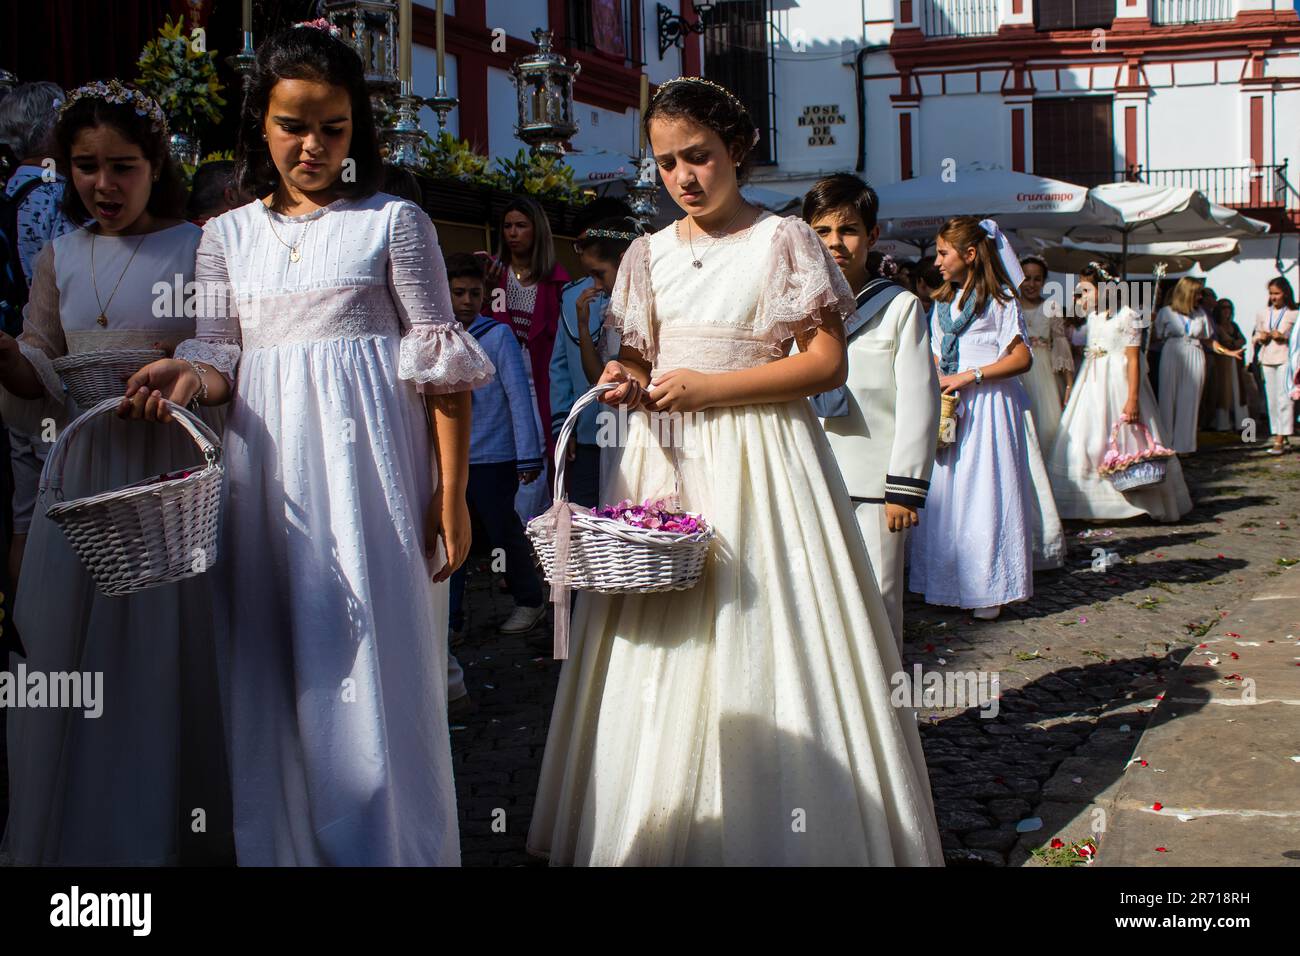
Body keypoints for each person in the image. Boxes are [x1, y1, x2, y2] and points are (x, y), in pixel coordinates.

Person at [527, 76, 942, 866]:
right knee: (660, 628)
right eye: (666, 163)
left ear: (736, 152)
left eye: (699, 156)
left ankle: (776, 811)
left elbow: (824, 364)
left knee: (762, 624)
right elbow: (638, 352)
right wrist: (623, 376)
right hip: (664, 457)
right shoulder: (646, 255)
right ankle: (653, 807)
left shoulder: (784, 240)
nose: (683, 176)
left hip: (762, 454)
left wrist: (713, 388)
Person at [125, 22, 495, 866]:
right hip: (268, 481)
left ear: (355, 128)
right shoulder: (224, 237)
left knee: (375, 658)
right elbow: (221, 356)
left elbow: (439, 368)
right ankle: (283, 848)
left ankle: (384, 845)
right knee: (274, 661)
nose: (313, 145)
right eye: (294, 125)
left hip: (375, 475)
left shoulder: (393, 223)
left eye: (333, 128)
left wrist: (450, 493)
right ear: (262, 120)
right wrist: (185, 378)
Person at [0, 80, 231, 865]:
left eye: (122, 167)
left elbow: (221, 348)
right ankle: (81, 840)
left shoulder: (196, 247)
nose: (103, 185)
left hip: (164, 475)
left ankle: (169, 829)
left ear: (155, 164)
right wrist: (15, 363)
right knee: (74, 656)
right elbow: (43, 370)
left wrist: (182, 373)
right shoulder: (57, 257)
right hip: (82, 473)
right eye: (85, 166)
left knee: (159, 652)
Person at [803, 172, 939, 647]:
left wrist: (904, 488)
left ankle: (882, 716)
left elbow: (920, 401)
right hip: (807, 478)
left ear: (872, 235)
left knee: (875, 606)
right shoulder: (792, 308)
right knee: (814, 608)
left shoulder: (899, 307)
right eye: (821, 231)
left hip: (874, 486)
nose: (835, 243)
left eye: (848, 230)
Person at [908, 216, 1040, 620]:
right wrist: (933, 377)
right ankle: (945, 580)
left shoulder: (1000, 299)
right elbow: (934, 350)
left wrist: (972, 375)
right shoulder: (945, 301)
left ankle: (989, 587)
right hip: (951, 402)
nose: (938, 260)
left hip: (989, 404)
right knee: (948, 494)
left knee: (985, 490)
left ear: (969, 254)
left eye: (944, 252)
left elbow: (1022, 357)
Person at [0, 81, 78, 614]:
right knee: (63, 514)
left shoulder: (9, 188)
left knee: (24, 514)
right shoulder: (53, 193)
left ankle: (26, 632)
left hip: (14, 375)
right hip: (47, 369)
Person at [444, 251, 546, 647]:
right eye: (458, 293)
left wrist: (527, 456)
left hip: (496, 457)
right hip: (451, 458)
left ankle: (529, 599)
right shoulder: (434, 336)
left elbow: (519, 398)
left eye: (474, 293)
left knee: (504, 533)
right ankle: (451, 619)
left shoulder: (498, 335)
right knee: (451, 540)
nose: (467, 301)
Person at [1047, 265, 1192, 522]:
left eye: (1087, 290)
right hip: (1091, 383)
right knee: (1087, 440)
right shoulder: (1094, 317)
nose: (1083, 295)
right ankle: (1090, 502)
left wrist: (1132, 398)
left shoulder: (1129, 316)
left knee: (1124, 442)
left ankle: (1132, 500)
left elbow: (1133, 360)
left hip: (1119, 382)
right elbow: (1081, 341)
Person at [550, 213, 635, 508]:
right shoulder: (579, 299)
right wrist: (584, 328)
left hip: (635, 430)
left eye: (599, 273)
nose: (596, 285)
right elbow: (583, 374)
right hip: (594, 429)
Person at [1017, 254, 1073, 454]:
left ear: (1044, 281)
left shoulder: (1052, 307)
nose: (1031, 284)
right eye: (1026, 278)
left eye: (1037, 279)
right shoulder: (1011, 307)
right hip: (1018, 369)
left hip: (1045, 371)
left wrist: (1068, 383)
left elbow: (1061, 347)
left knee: (1048, 424)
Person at [1155, 276, 1211, 453]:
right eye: (1197, 293)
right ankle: (1166, 443)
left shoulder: (1201, 314)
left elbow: (1208, 337)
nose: (1200, 297)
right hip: (1172, 352)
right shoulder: (1166, 312)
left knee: (1190, 399)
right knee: (1167, 396)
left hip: (1195, 352)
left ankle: (1184, 445)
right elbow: (1157, 335)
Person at [1253, 277, 1297, 454]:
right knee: (1271, 398)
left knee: (1284, 397)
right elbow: (1255, 334)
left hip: (1286, 357)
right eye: (1271, 293)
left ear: (1285, 293)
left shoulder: (1294, 314)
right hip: (1268, 357)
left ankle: (1281, 436)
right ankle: (1280, 432)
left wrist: (1284, 336)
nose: (1273, 297)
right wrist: (1260, 337)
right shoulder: (1263, 313)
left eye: (1277, 293)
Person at [1207, 298, 1247, 432]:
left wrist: (1235, 343)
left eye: (1229, 307)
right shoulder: (1216, 326)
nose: (1226, 311)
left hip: (1235, 362)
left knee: (1238, 391)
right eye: (1223, 308)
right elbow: (1223, 340)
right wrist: (1233, 343)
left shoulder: (1233, 325)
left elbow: (1242, 339)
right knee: (1223, 392)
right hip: (1221, 362)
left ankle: (1241, 423)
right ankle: (1222, 423)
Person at [186, 158, 249, 226]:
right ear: (231, 196)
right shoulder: (229, 234)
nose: (257, 199)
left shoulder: (183, 232)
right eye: (251, 192)